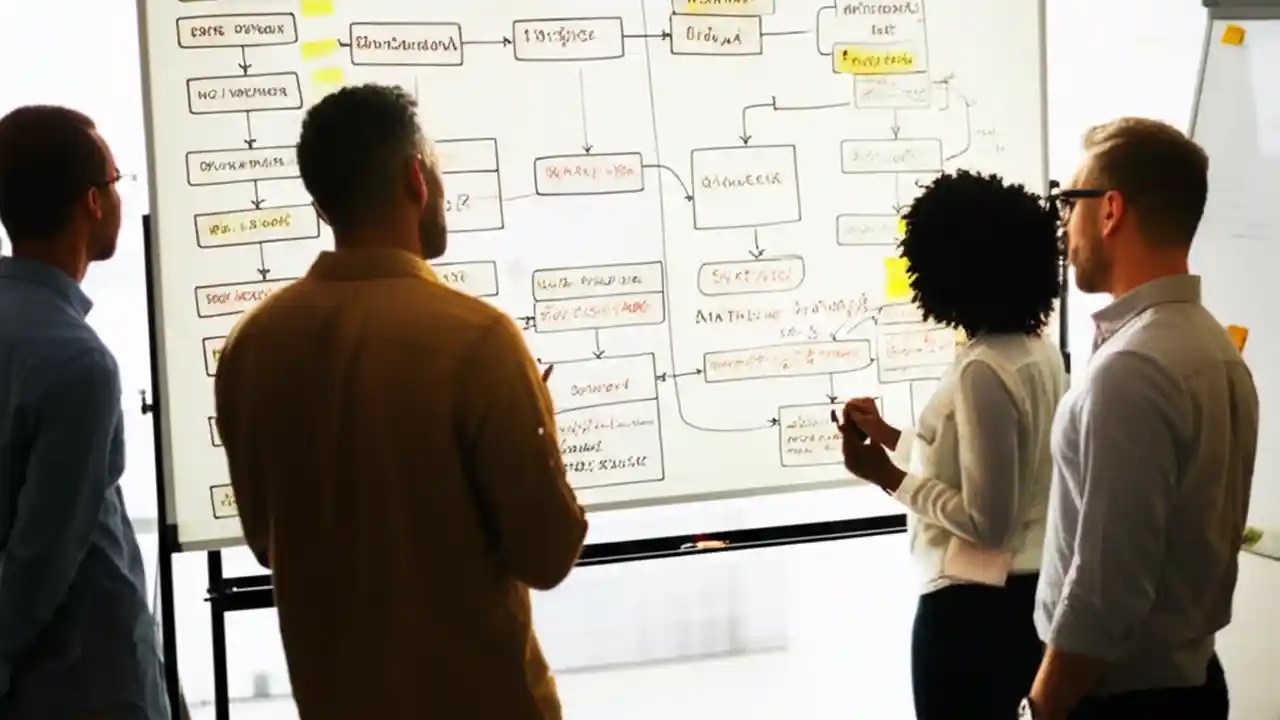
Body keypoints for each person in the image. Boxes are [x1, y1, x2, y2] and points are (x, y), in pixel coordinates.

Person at [213, 84, 588, 720]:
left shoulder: (251, 346)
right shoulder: (479, 342)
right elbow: (546, 554)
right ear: (417, 177)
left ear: (324, 203)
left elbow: (267, 544)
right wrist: (535, 431)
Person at [1022, 118, 1257, 720]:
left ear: (1110, 210)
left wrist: (1039, 710)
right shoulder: (1210, 347)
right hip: (1190, 681)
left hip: (1120, 698)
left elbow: (1104, 590)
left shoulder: (1134, 368)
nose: (1062, 224)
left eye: (1067, 201)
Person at [837, 170, 1068, 719]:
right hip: (1030, 599)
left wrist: (885, 476)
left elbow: (989, 521)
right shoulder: (1038, 350)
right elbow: (984, 462)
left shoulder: (983, 368)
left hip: (974, 613)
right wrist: (892, 438)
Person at [0, 106, 169, 718]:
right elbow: (41, 560)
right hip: (85, 687)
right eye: (117, 179)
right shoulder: (79, 363)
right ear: (92, 202)